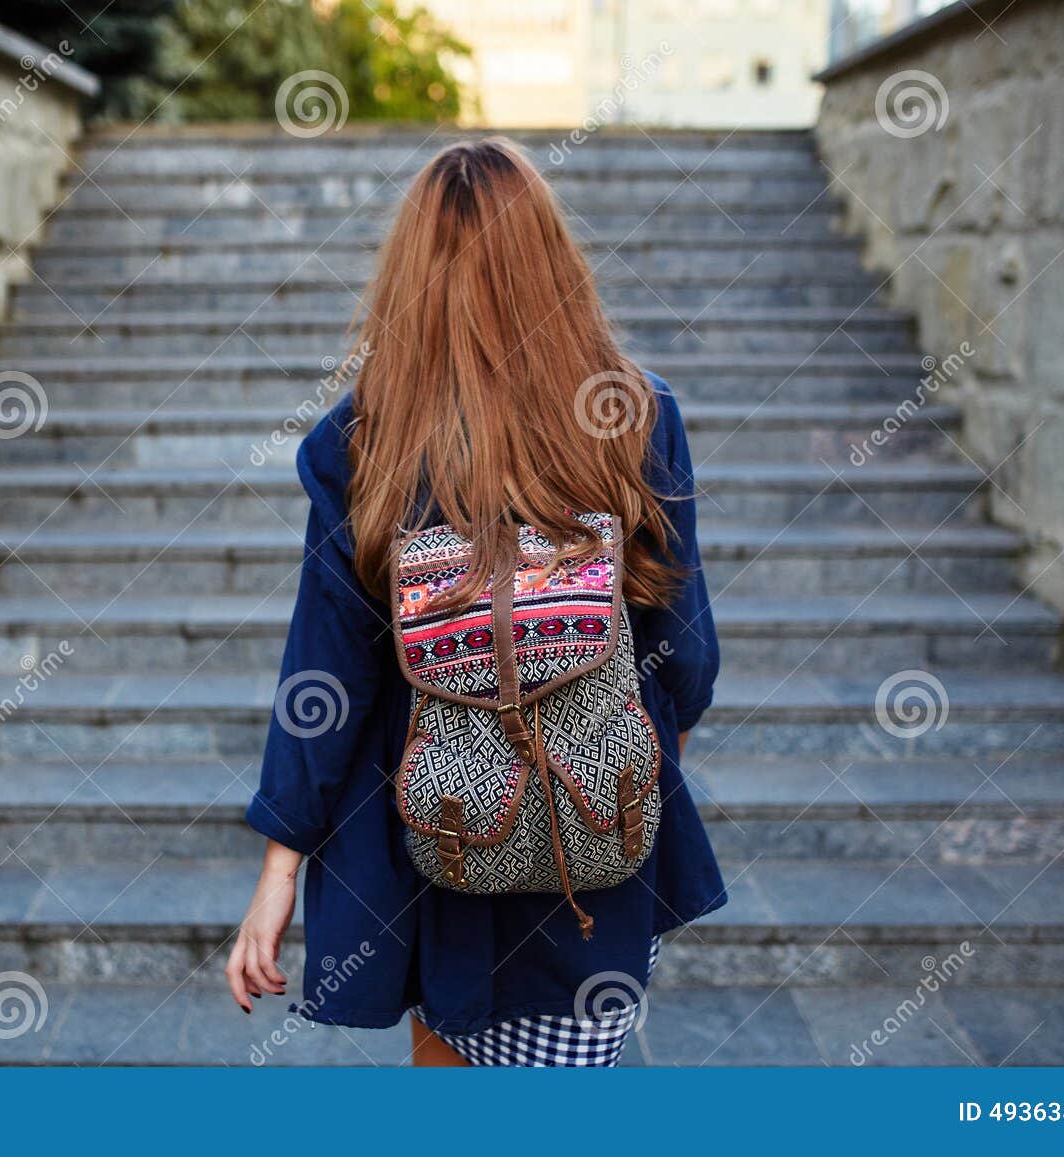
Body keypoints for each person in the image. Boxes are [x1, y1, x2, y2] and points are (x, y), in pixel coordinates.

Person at [225, 137, 725, 1067]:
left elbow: (326, 673)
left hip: (439, 834)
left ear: (409, 275)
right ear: (553, 264)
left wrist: (278, 868)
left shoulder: (363, 441)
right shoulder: (635, 415)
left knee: (449, 1069)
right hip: (597, 837)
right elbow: (685, 656)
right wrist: (625, 764)